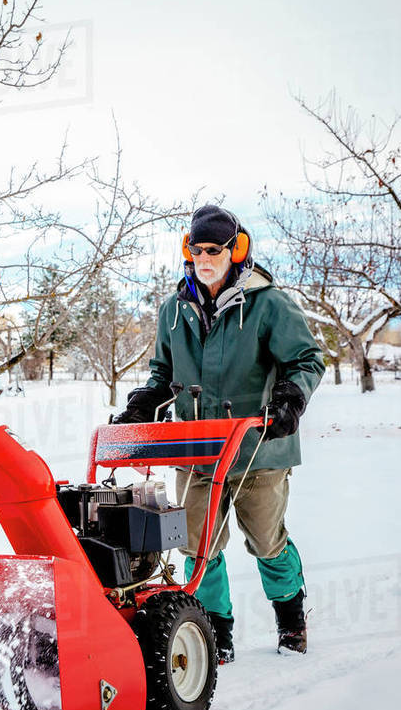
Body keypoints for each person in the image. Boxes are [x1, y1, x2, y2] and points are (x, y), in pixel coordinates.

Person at [113, 204, 325, 663]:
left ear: (236, 250)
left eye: (214, 249)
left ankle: (291, 618)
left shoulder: (267, 303)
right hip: (198, 450)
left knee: (267, 541)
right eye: (196, 248)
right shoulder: (174, 310)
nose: (204, 257)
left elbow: (307, 359)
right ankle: (214, 631)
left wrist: (291, 397)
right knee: (197, 546)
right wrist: (144, 403)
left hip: (258, 448)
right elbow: (162, 373)